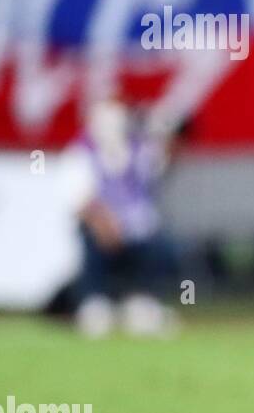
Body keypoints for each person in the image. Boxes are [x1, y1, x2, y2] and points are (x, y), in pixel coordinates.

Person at [68, 100, 182, 337]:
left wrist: (160, 130)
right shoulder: (79, 155)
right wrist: (104, 222)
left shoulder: (139, 151)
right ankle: (94, 304)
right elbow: (77, 200)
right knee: (90, 239)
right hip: (101, 233)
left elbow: (162, 160)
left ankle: (142, 303)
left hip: (139, 234)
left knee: (164, 247)